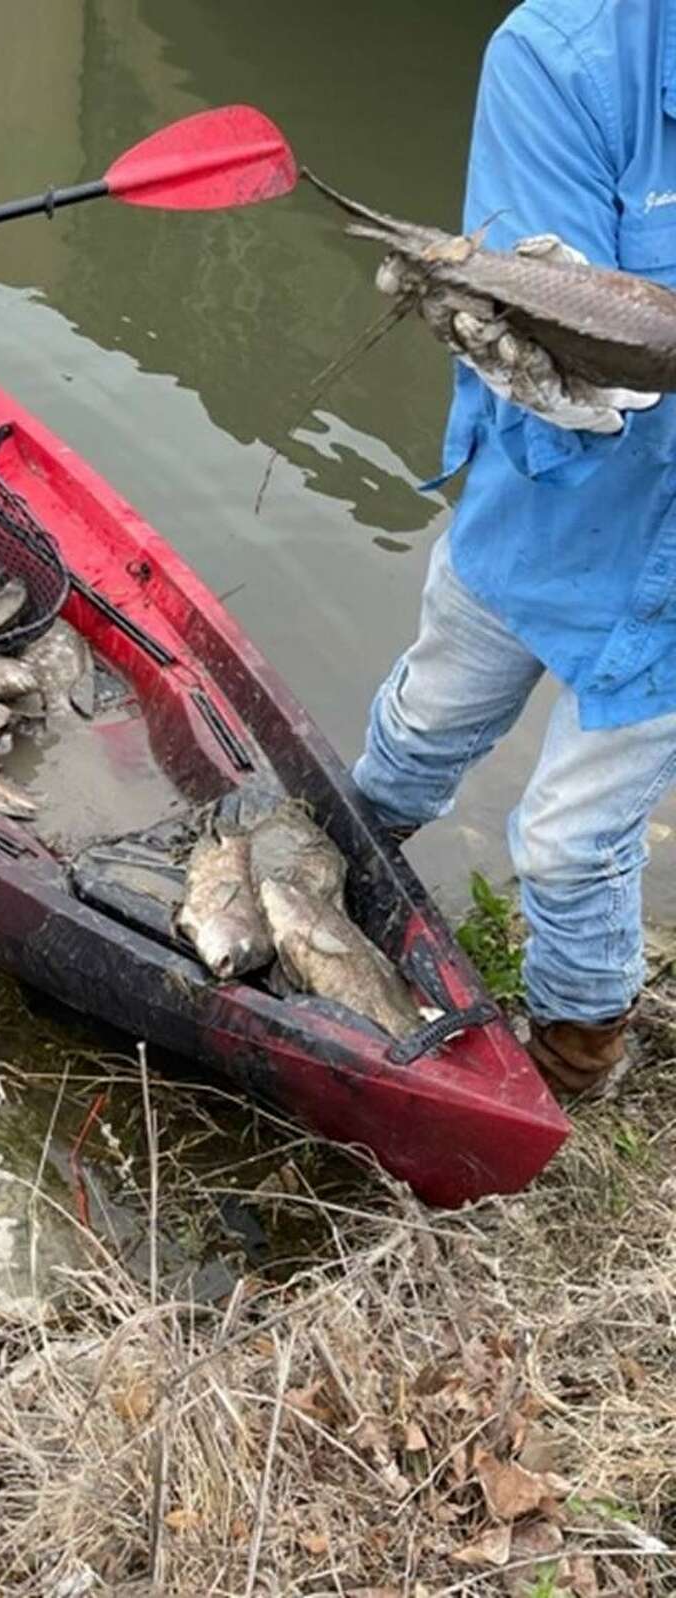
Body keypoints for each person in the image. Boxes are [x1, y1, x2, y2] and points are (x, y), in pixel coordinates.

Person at [352, 0, 676, 1096]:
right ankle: (359, 855)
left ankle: (577, 1057)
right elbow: (570, 326)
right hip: (548, 504)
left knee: (571, 845)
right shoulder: (563, 52)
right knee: (422, 723)